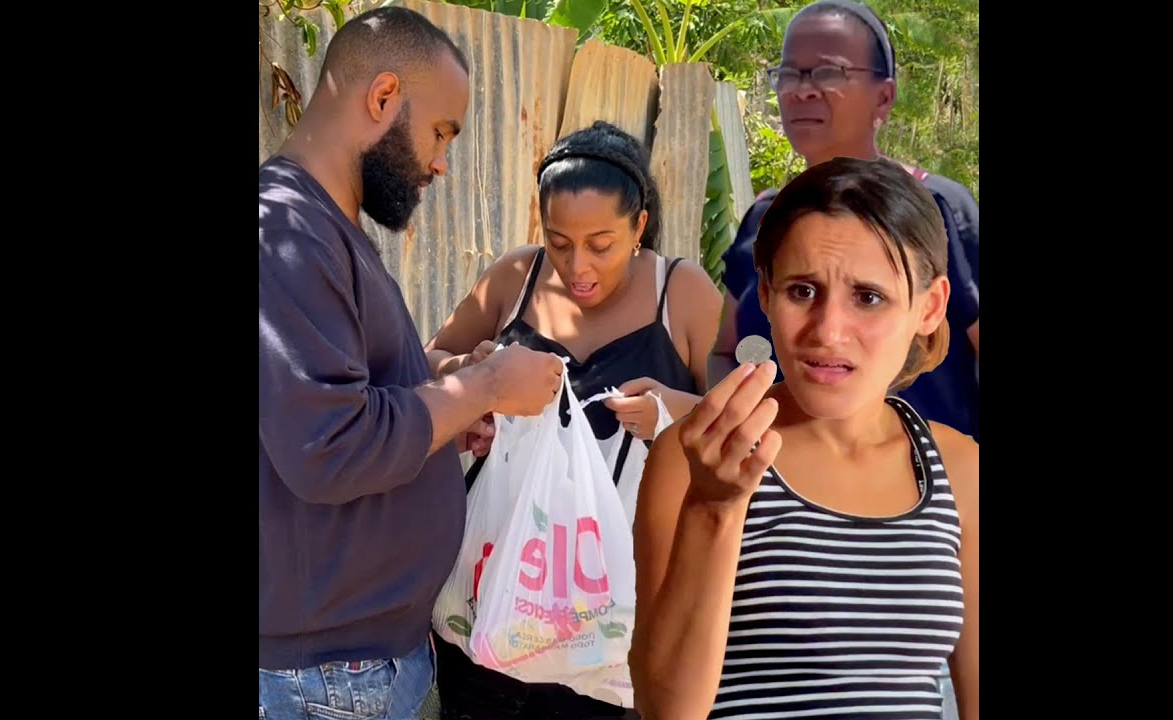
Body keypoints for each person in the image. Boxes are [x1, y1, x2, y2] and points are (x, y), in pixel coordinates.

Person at [258, 8, 565, 720]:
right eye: (440, 132)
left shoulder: (328, 231)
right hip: (330, 679)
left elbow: (343, 409)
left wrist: (454, 414)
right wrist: (483, 384)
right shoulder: (287, 234)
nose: (441, 162)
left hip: (355, 666)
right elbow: (329, 446)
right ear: (383, 96)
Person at [631, 156, 979, 720]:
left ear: (931, 307)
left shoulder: (957, 469)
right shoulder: (697, 457)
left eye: (868, 297)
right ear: (764, 295)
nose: (827, 331)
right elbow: (667, 710)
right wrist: (715, 508)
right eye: (801, 291)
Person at [424, 120, 725, 719]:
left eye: (601, 244)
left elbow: (741, 419)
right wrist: (475, 372)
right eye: (559, 243)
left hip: (616, 612)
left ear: (639, 225)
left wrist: (673, 410)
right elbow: (430, 360)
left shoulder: (682, 293)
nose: (577, 267)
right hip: (501, 591)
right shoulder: (516, 276)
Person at [710, 0, 979, 445]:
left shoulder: (938, 207)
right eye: (790, 73)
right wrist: (741, 423)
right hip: (780, 490)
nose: (802, 90)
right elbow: (726, 350)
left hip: (923, 495)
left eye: (828, 72)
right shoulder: (765, 217)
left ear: (884, 96)